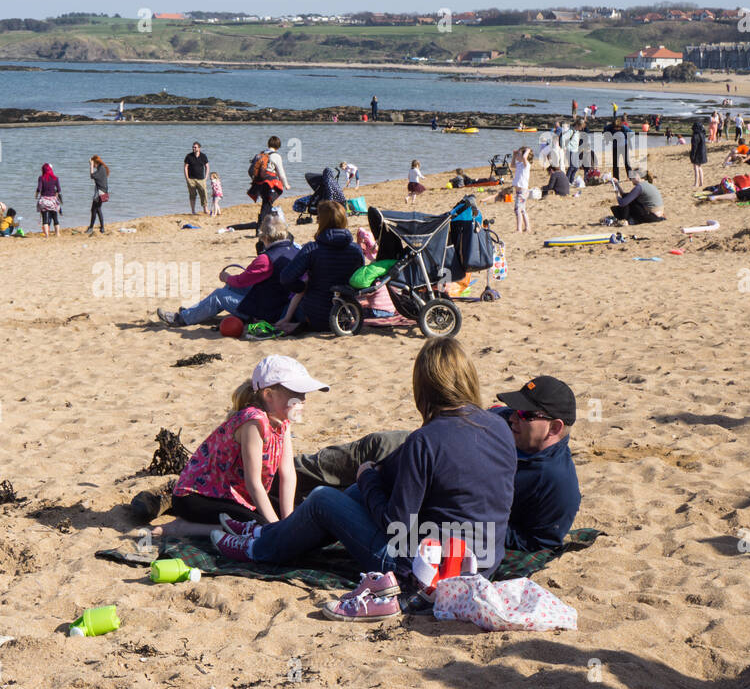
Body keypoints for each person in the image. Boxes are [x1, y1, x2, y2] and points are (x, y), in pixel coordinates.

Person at [211, 338, 516, 622]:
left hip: (429, 572)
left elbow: (394, 523)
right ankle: (273, 533)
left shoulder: (424, 442)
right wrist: (375, 476)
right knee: (357, 491)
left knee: (322, 499)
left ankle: (259, 548)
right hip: (484, 559)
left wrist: (367, 476)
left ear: (423, 387)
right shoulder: (499, 426)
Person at [293, 375, 581, 553]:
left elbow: (538, 542)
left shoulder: (557, 484)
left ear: (555, 428)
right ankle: (286, 476)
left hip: (440, 504)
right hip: (445, 454)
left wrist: (475, 523)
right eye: (514, 409)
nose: (513, 417)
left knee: (349, 491)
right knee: (377, 446)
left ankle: (294, 506)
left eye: (525, 414)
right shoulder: (509, 424)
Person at [166, 356, 328, 533]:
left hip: (235, 497)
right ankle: (180, 527)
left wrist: (287, 520)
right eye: (296, 393)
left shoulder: (283, 421)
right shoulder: (254, 421)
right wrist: (276, 528)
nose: (303, 399)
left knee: (299, 513)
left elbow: (288, 474)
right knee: (257, 528)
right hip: (198, 497)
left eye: (304, 393)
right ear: (269, 395)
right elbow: (253, 483)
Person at [157, 215, 298, 327]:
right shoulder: (293, 250)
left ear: (265, 237)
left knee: (219, 295)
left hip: (267, 311)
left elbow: (240, 281)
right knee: (230, 288)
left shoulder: (266, 259)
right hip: (281, 301)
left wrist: (226, 277)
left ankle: (181, 319)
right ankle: (193, 312)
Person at [277, 200, 366, 333]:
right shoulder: (355, 250)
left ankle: (295, 324)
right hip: (346, 316)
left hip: (315, 314)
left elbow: (286, 278)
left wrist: (302, 287)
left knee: (281, 303)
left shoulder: (312, 249)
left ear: (321, 221)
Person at [248, 136, 287, 224]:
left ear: (268, 144)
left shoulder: (259, 155)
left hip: (258, 183)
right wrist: (286, 184)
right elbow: (281, 172)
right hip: (269, 183)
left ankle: (267, 222)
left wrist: (255, 180)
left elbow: (250, 171)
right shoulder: (276, 156)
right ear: (278, 146)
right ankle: (261, 226)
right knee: (267, 203)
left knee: (266, 203)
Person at [34, 162, 63, 236]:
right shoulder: (56, 178)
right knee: (55, 218)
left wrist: (36, 195)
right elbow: (59, 190)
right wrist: (55, 194)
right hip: (53, 200)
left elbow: (39, 188)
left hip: (44, 201)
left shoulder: (41, 178)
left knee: (45, 219)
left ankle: (47, 235)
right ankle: (57, 233)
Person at [183, 141, 210, 214]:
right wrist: (187, 178)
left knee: (204, 194)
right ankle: (193, 211)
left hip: (201, 179)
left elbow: (207, 166)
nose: (193, 148)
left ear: (199, 148)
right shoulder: (189, 156)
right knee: (192, 195)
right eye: (193, 147)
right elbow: (185, 167)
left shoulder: (203, 156)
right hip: (191, 179)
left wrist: (206, 177)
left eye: (195, 147)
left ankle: (205, 209)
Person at [512, 146, 533, 233]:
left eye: (519, 154)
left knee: (517, 209)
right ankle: (527, 227)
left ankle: (519, 229)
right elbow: (512, 165)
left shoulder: (526, 164)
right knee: (522, 209)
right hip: (519, 191)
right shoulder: (520, 164)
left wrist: (527, 151)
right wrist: (514, 155)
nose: (518, 156)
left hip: (522, 191)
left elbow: (524, 157)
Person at [87, 155, 109, 234]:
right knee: (98, 210)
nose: (94, 165)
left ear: (96, 162)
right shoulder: (102, 168)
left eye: (94, 163)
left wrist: (91, 166)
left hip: (100, 193)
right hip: (103, 192)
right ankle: (102, 228)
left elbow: (92, 176)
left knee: (94, 210)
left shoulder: (101, 169)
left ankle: (91, 228)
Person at [690, 119, 709, 188]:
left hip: (697, 153)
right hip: (703, 153)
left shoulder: (695, 136)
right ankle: (701, 183)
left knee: (696, 168)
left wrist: (692, 155)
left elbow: (694, 147)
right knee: (700, 167)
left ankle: (696, 183)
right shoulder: (703, 134)